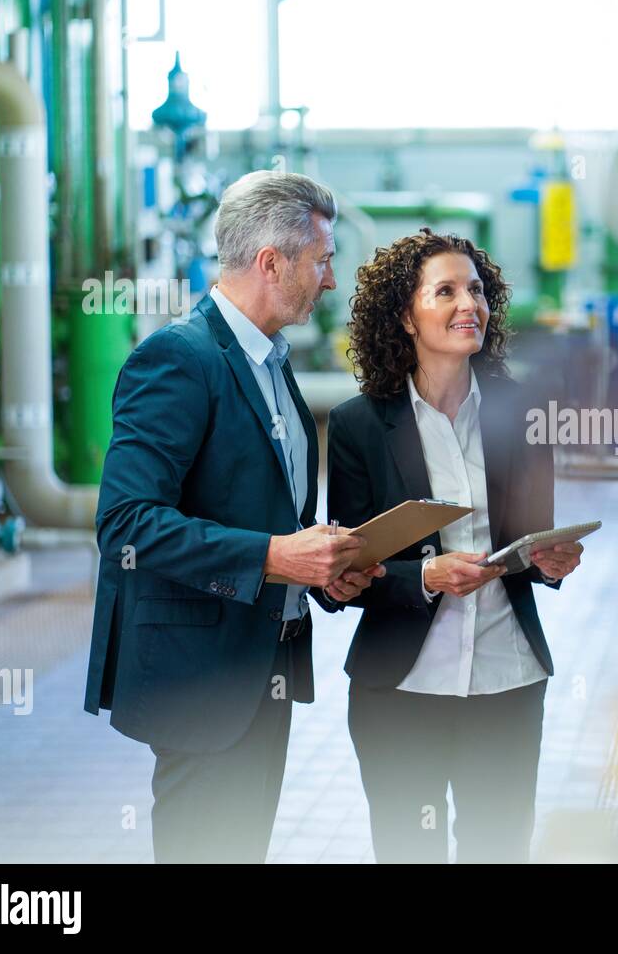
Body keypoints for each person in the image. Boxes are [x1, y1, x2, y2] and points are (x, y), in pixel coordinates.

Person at [84, 170, 381, 863]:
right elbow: (125, 522)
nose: (330, 279)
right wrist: (275, 556)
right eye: (322, 260)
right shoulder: (179, 359)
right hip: (199, 681)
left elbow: (263, 507)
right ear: (271, 262)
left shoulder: (271, 361)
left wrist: (318, 574)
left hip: (260, 669)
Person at [325, 228, 583, 863]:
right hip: (402, 691)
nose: (469, 304)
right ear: (406, 317)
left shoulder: (521, 412)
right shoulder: (361, 424)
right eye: (445, 291)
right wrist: (424, 576)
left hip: (508, 681)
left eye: (476, 290)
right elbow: (346, 571)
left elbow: (530, 539)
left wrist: (551, 562)